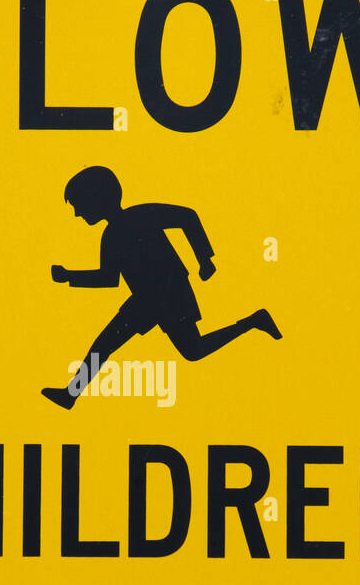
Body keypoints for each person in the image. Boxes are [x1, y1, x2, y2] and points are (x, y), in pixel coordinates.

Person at [41, 165, 281, 409]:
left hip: (171, 293)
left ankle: (253, 322)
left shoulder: (141, 216)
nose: (77, 214)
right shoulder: (111, 235)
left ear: (96, 198)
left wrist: (204, 258)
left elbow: (188, 216)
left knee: (192, 351)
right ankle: (71, 394)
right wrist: (70, 276)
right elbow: (109, 278)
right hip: (146, 300)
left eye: (79, 205)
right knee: (107, 344)